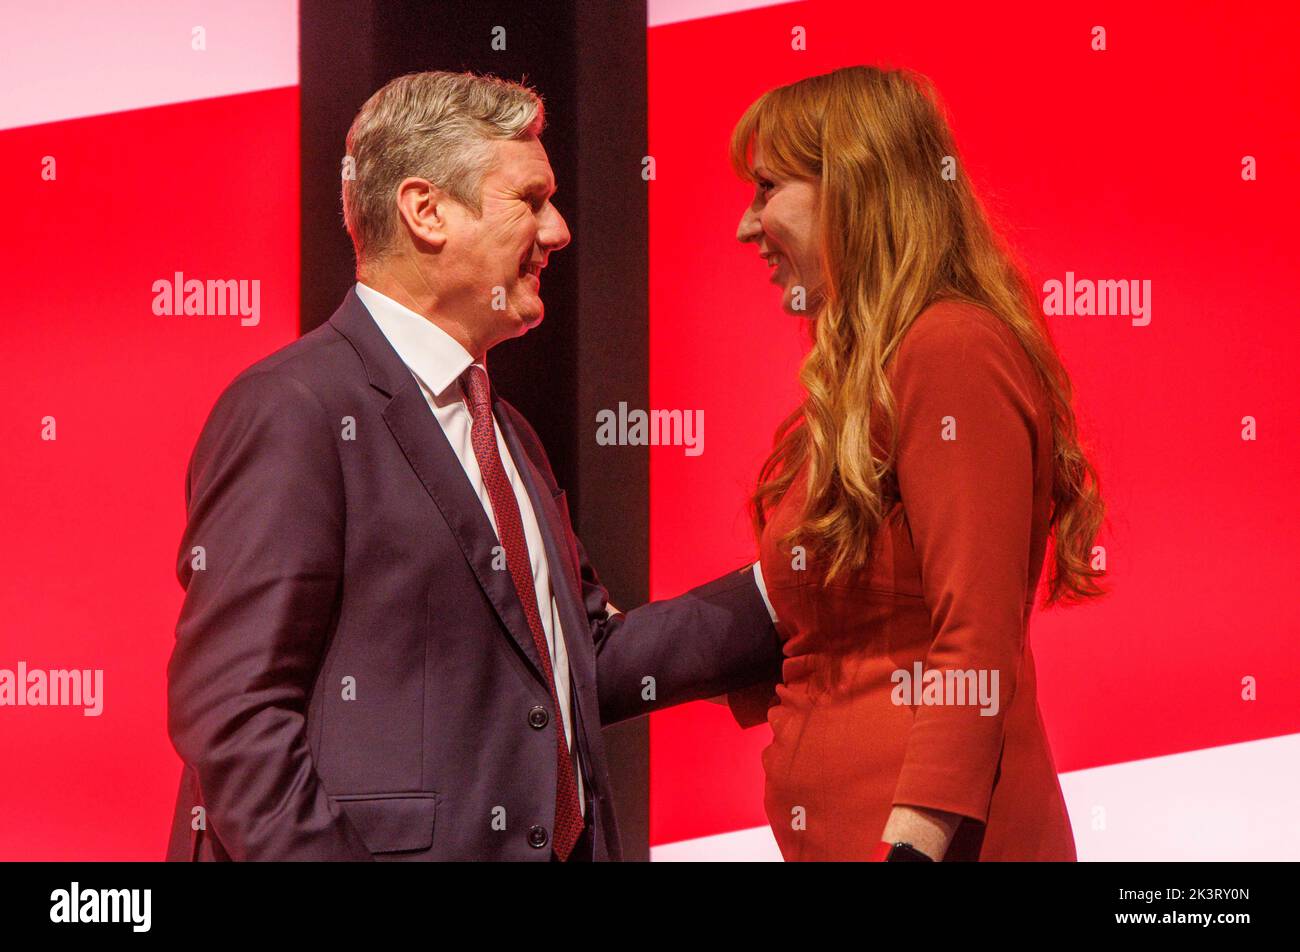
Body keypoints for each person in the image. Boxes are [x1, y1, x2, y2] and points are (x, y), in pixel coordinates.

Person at [164, 70, 782, 862]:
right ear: (427, 212)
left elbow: (577, 658)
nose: (558, 231)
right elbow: (234, 712)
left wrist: (784, 593)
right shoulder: (294, 408)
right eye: (530, 200)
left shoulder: (506, 429)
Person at [725, 65, 1106, 861]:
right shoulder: (868, 375)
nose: (745, 226)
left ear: (855, 187)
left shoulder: (951, 349)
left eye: (766, 189)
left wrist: (913, 846)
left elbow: (976, 635)